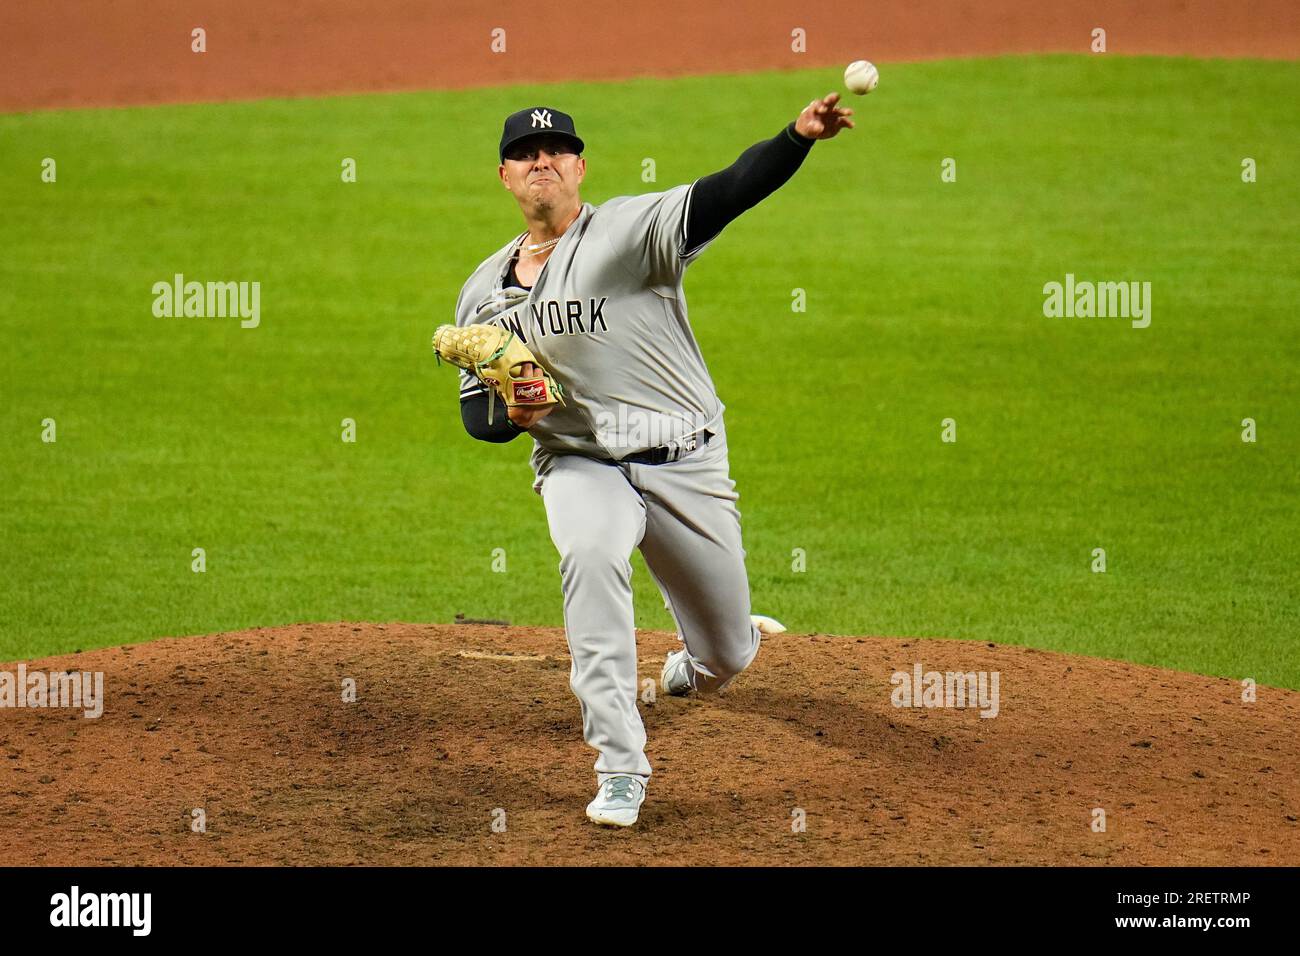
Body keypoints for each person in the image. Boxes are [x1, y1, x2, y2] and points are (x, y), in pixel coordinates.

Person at [450, 95, 854, 826]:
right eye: (525, 153)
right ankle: (619, 768)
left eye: (558, 149)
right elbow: (478, 420)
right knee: (590, 558)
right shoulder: (481, 294)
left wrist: (796, 137)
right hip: (580, 464)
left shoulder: (628, 234)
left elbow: (727, 192)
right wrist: (512, 414)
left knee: (729, 655)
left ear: (579, 167)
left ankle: (692, 667)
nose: (543, 160)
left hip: (685, 461)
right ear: (504, 176)